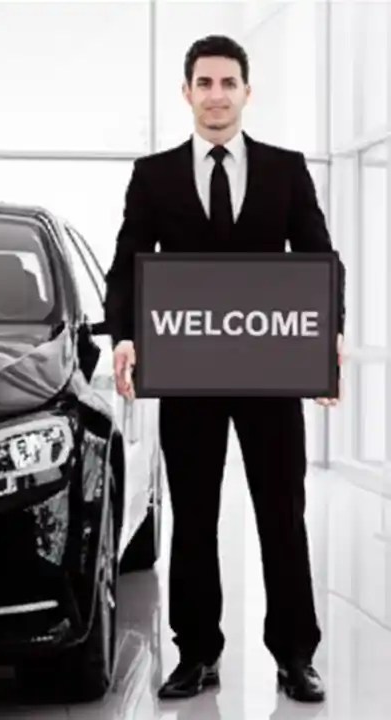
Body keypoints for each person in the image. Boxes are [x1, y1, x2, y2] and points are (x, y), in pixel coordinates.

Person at [102, 35, 343, 704]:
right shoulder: (153, 175)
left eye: (227, 82)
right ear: (187, 92)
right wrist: (124, 335)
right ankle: (196, 653)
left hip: (269, 374)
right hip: (189, 373)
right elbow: (127, 262)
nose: (215, 94)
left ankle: (295, 656)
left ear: (246, 91)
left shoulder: (286, 169)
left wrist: (330, 338)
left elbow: (321, 258)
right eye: (203, 83)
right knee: (196, 517)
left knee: (281, 516)